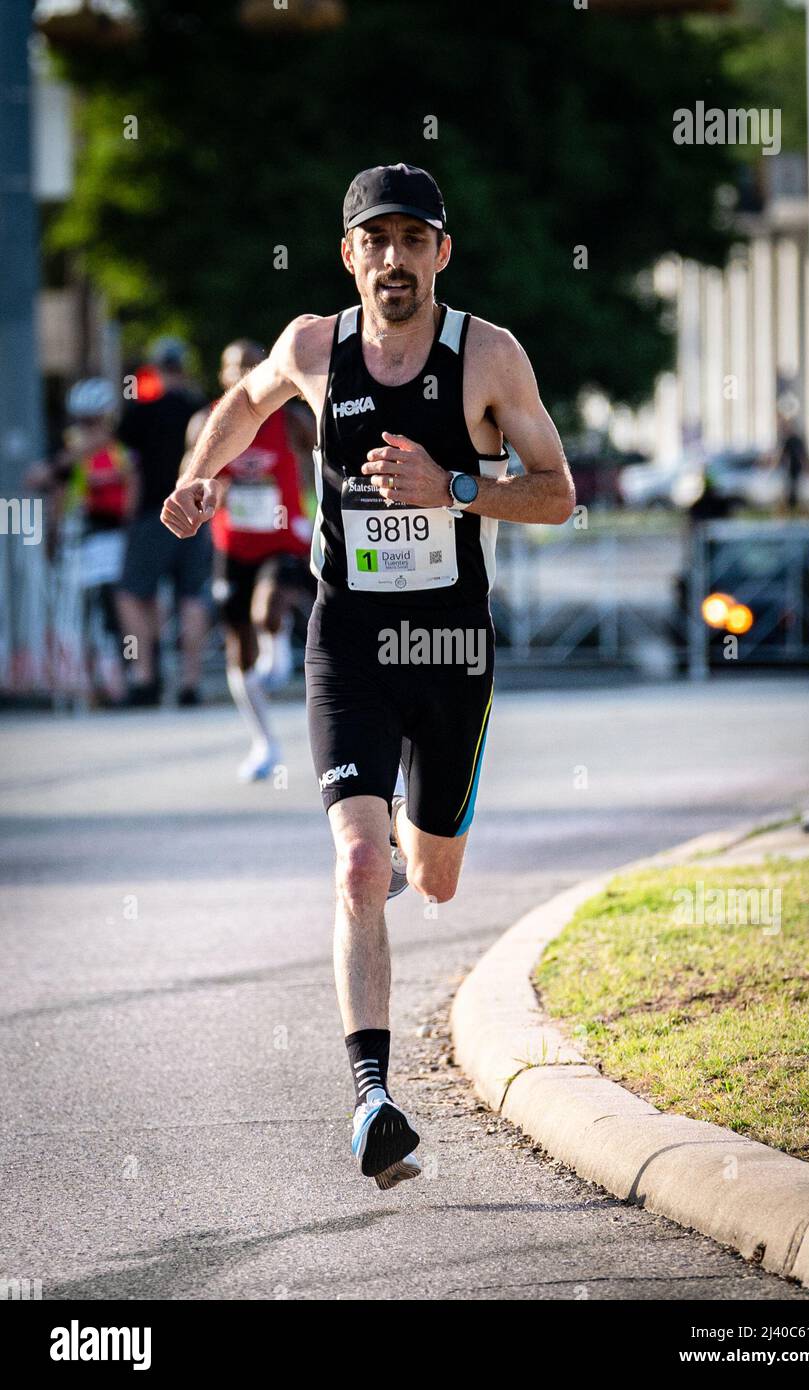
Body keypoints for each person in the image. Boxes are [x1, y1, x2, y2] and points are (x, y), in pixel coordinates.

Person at [160, 164, 574, 1189]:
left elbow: (560, 492)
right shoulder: (313, 345)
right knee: (356, 866)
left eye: (413, 240)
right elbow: (244, 401)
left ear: (442, 252)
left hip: (448, 648)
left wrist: (458, 486)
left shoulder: (489, 355)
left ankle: (397, 844)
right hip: (347, 639)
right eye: (374, 242)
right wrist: (200, 476)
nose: (394, 259)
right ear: (349, 255)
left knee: (427, 878)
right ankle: (374, 1100)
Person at [185, 339, 317, 781]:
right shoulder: (208, 422)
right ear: (223, 375)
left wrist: (321, 516)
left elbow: (332, 458)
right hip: (233, 546)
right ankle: (264, 742)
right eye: (232, 366)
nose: (242, 371)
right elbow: (193, 475)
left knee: (270, 607)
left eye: (250, 364)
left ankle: (279, 652)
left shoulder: (292, 419)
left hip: (282, 539)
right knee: (238, 645)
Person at [25, 377, 136, 705]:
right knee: (78, 615)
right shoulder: (68, 448)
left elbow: (130, 488)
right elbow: (48, 485)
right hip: (77, 540)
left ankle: (121, 678)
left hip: (111, 538)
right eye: (83, 419)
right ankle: (84, 682)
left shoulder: (119, 449)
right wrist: (51, 534)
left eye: (94, 419)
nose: (88, 427)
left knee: (111, 611)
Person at [115, 338, 209, 706]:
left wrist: (129, 517)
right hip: (197, 514)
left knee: (132, 592)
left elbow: (132, 470)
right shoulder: (200, 409)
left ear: (155, 369)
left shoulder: (141, 413)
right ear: (183, 368)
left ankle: (144, 677)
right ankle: (190, 681)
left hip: (154, 513)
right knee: (192, 597)